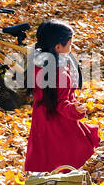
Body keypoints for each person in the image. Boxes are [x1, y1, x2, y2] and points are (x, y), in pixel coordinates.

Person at [24, 20, 100, 174]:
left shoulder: (36, 65)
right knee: (64, 158)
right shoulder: (61, 74)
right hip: (59, 126)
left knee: (45, 159)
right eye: (70, 44)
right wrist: (75, 109)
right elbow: (61, 104)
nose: (71, 48)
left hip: (41, 122)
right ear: (58, 47)